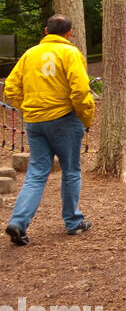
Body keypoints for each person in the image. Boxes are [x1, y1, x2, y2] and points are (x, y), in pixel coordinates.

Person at [4, 15, 95, 246]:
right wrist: (86, 118)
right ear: (69, 33)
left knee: (36, 173)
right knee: (71, 170)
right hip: (64, 120)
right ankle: (73, 222)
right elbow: (80, 91)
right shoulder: (71, 53)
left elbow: (11, 87)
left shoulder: (29, 54)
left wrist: (26, 108)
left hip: (34, 122)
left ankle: (18, 222)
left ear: (46, 31)